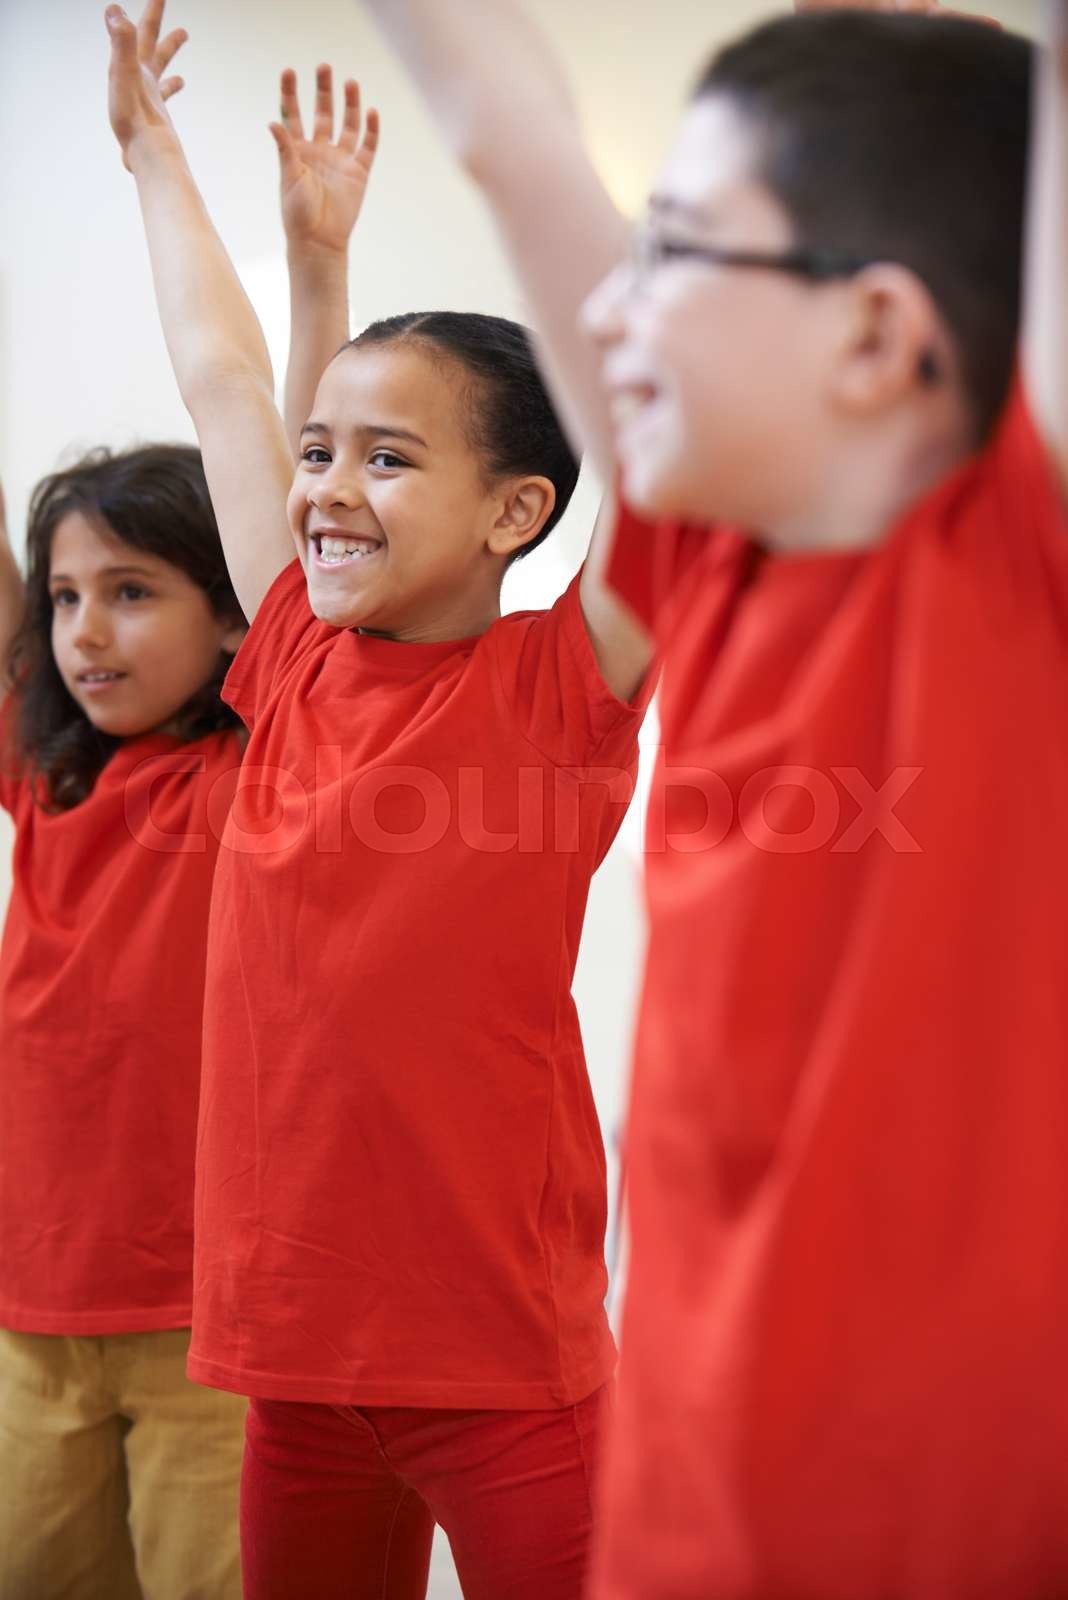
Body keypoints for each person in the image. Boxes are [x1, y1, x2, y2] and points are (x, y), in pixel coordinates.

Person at [363, 0, 1068, 1594]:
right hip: (687, 1527)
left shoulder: (1014, 571)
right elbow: (499, 118)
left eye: (672, 251)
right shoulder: (707, 562)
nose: (609, 310)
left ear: (880, 336)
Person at [103, 4, 654, 1594]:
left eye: (390, 460)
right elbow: (221, 381)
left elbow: (663, 452)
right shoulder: (287, 656)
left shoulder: (560, 688)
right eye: (321, 452)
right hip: (298, 1365)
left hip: (506, 1378)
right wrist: (159, 164)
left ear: (517, 511)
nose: (329, 486)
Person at [0, 436, 248, 1597]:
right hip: (31, 1315)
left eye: (131, 591)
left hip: (207, 1332)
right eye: (64, 598)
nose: (85, 632)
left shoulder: (247, 781)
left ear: (235, 613)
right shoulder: (52, 780)